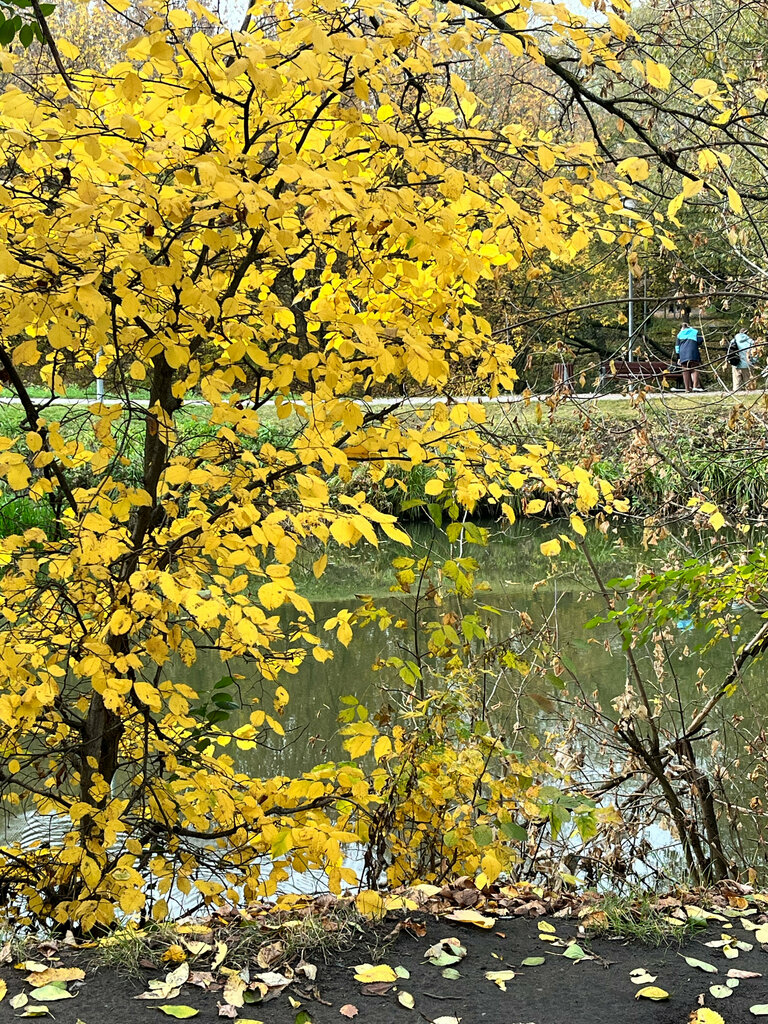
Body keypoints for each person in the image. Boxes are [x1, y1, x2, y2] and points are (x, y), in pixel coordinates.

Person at [675, 322, 702, 392]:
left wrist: (678, 357)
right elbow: (700, 340)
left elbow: (677, 347)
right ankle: (695, 386)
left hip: (683, 354)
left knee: (685, 371)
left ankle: (687, 389)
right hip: (693, 353)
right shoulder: (695, 332)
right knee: (695, 369)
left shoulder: (679, 334)